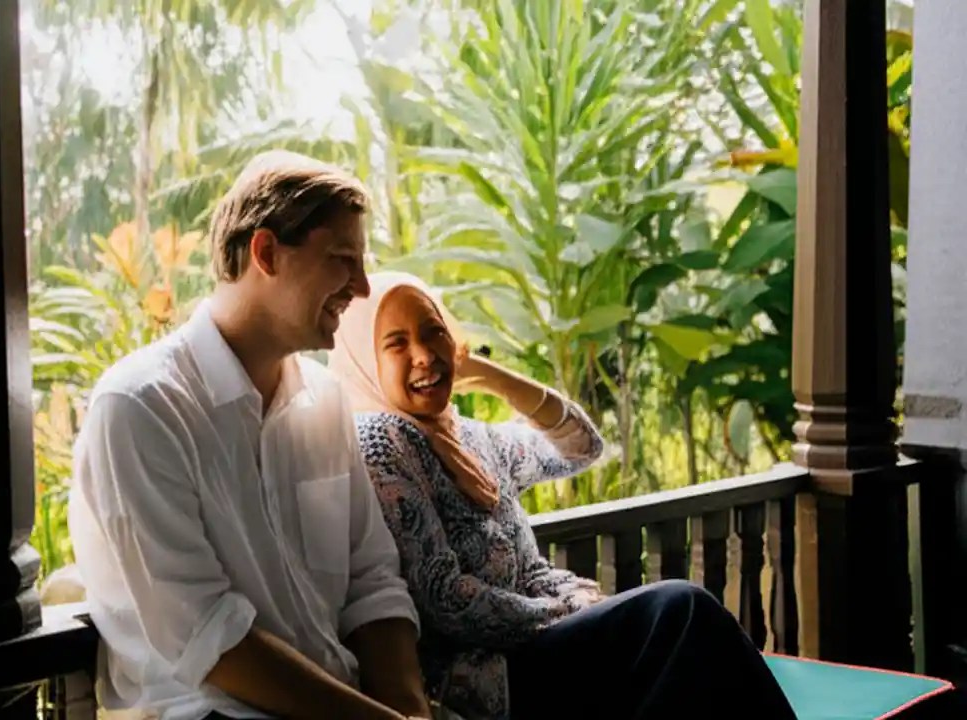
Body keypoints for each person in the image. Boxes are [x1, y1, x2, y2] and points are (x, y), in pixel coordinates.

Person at [326, 271, 798, 720]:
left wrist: (494, 377)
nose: (425, 355)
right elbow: (445, 599)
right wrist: (563, 611)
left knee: (690, 674)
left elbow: (581, 446)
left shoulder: (466, 437)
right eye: (397, 344)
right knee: (680, 610)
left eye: (434, 333)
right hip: (488, 677)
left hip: (535, 647)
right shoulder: (383, 440)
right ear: (363, 361)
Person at [67, 153, 430, 720]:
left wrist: (412, 712)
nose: (361, 288)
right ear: (266, 253)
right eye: (342, 260)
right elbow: (206, 636)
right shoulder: (141, 407)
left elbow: (372, 581)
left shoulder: (326, 399)